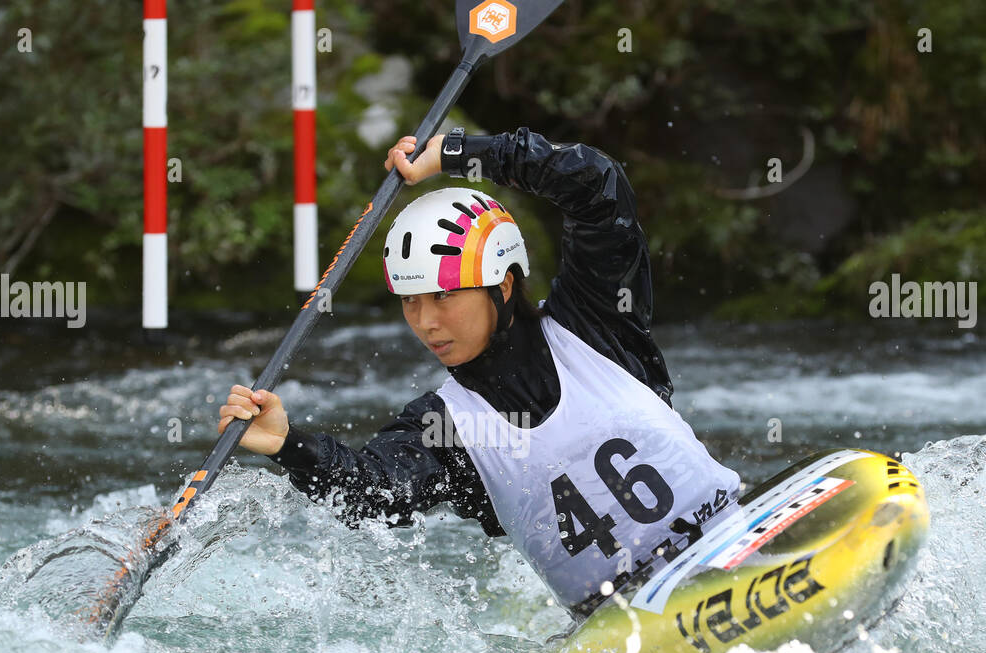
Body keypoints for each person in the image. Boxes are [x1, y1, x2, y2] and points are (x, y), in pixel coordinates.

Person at [218, 126, 741, 622]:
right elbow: (374, 489)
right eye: (411, 302)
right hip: (623, 621)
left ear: (504, 285)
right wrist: (290, 445)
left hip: (735, 541)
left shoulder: (598, 321)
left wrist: (458, 153)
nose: (426, 323)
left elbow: (597, 184)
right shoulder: (448, 428)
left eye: (444, 296)